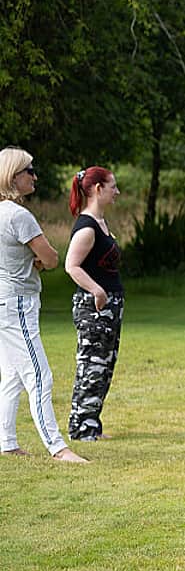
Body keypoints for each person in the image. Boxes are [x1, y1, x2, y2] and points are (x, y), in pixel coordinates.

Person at [0, 148, 88, 462]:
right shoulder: (17, 215)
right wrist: (38, 261)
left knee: (11, 375)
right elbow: (51, 257)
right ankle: (58, 448)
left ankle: (7, 442)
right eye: (29, 171)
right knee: (39, 376)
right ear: (12, 176)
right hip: (17, 304)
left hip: (3, 301)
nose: (35, 176)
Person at [64, 166, 124, 442]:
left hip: (109, 308)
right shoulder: (87, 227)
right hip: (94, 308)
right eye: (113, 187)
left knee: (104, 367)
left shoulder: (100, 224)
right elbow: (71, 266)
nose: (117, 192)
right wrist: (97, 291)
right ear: (98, 189)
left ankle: (91, 424)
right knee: (91, 366)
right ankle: (80, 429)